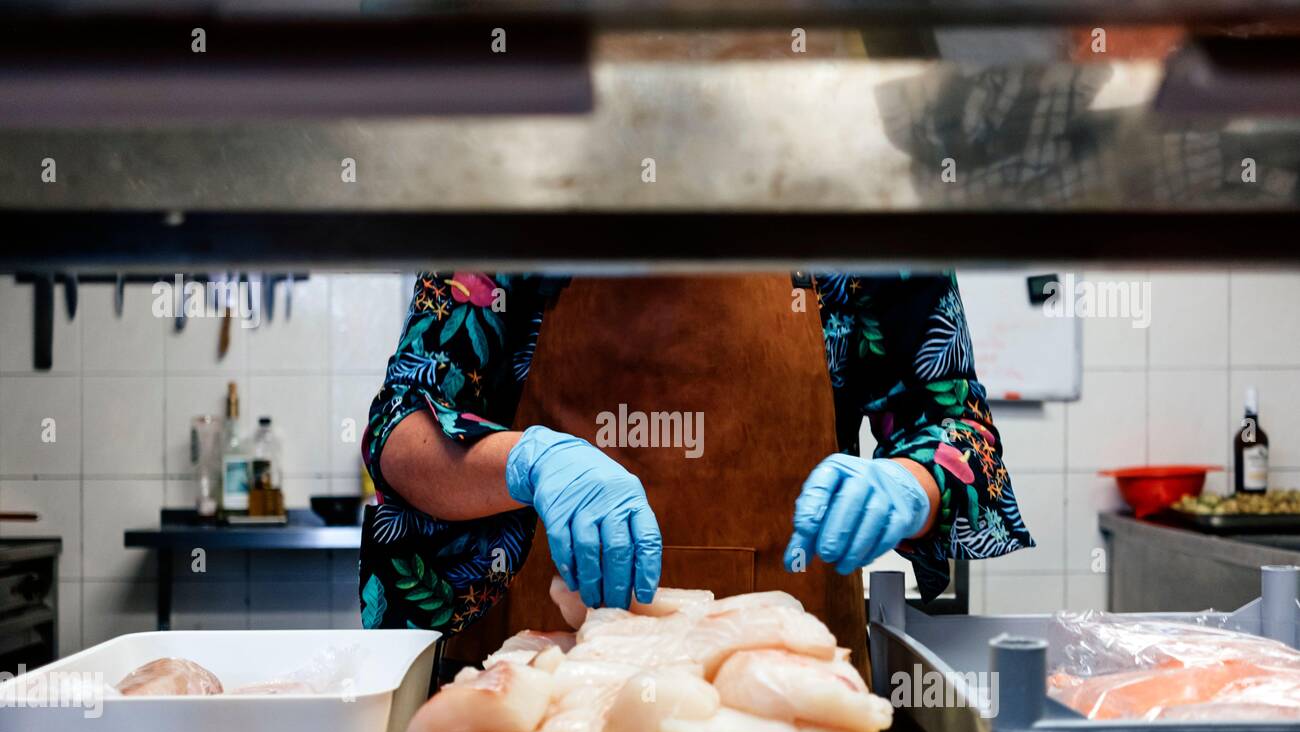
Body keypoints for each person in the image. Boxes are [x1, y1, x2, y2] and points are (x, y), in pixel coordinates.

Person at [359, 272, 1032, 674]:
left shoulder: (856, 199)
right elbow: (402, 430)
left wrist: (911, 486)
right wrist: (534, 461)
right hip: (548, 686)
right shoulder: (516, 190)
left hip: (782, 700)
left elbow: (957, 431)